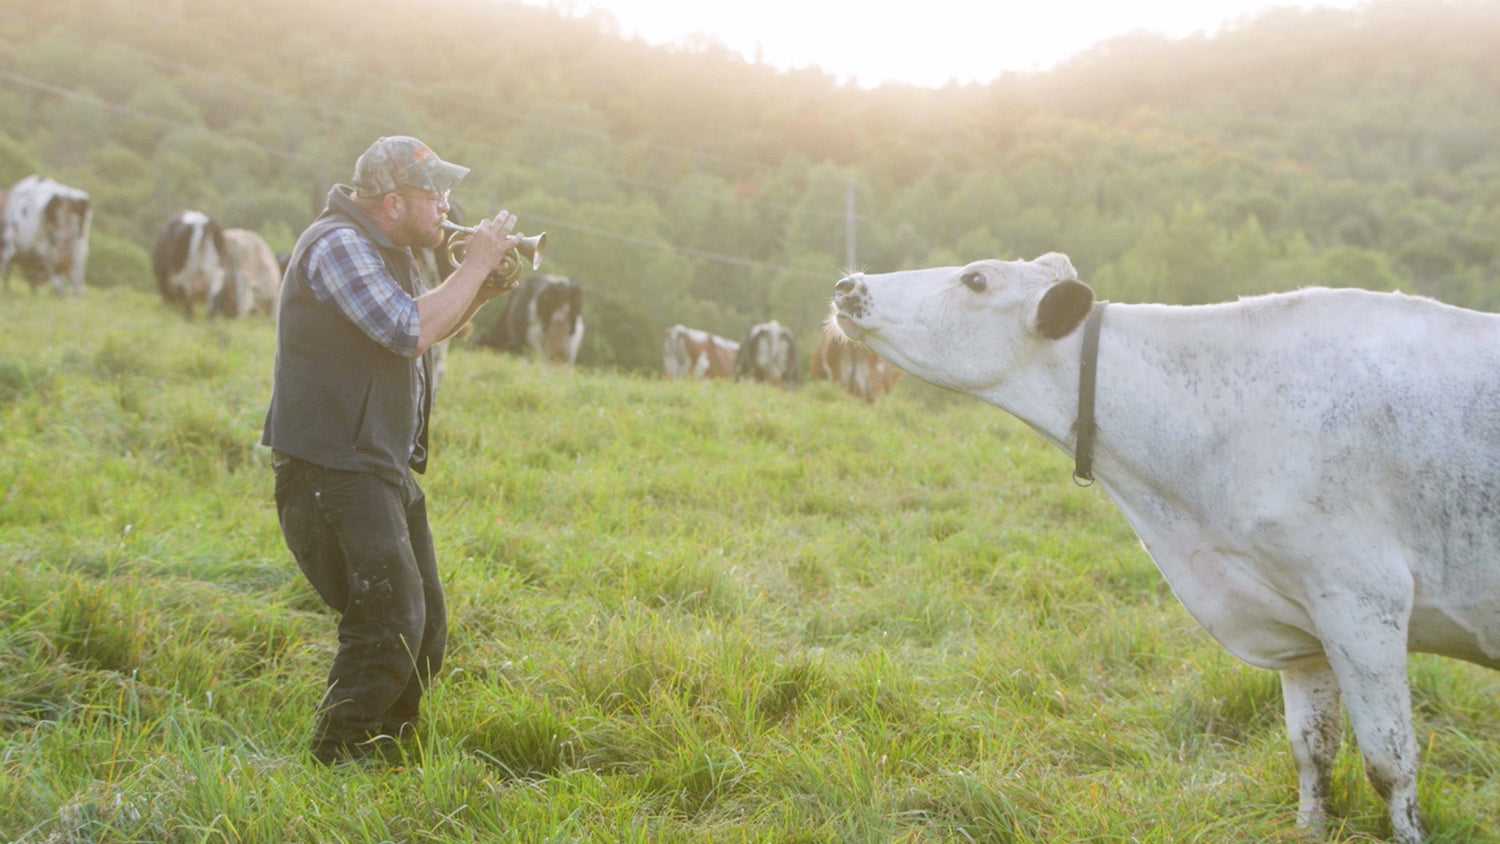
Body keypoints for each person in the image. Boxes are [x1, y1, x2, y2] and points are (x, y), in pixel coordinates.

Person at [262, 135, 518, 764]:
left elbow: (420, 321)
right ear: (392, 201)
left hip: (372, 464)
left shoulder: (389, 247)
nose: (446, 206)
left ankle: (385, 754)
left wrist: (479, 290)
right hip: (331, 468)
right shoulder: (338, 245)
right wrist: (475, 265)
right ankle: (334, 762)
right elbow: (408, 329)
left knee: (424, 625)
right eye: (434, 195)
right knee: (388, 621)